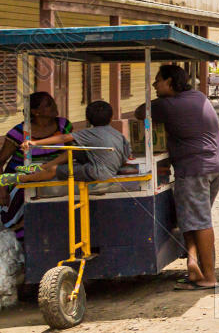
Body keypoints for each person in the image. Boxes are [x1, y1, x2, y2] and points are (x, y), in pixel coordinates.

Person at [135, 64, 219, 290]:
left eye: (158, 81)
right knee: (192, 219)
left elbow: (139, 112)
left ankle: (209, 277)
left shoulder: (167, 105)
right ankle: (193, 264)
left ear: (170, 82)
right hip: (217, 165)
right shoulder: (197, 96)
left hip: (195, 169)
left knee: (200, 221)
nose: (154, 85)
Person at [1, 92, 72, 236]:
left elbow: (72, 151)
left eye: (53, 102)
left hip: (51, 176)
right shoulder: (19, 132)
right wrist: (1, 189)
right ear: (35, 112)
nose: (54, 106)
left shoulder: (63, 125)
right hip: (20, 178)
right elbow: (1, 160)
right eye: (48, 105)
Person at [19, 100, 129, 185]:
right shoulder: (118, 134)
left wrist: (35, 143)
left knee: (54, 170)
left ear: (87, 119)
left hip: (98, 173)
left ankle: (24, 178)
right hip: (110, 170)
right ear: (111, 118)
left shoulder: (89, 133)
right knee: (74, 150)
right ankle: (43, 167)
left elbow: (63, 138)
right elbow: (125, 157)